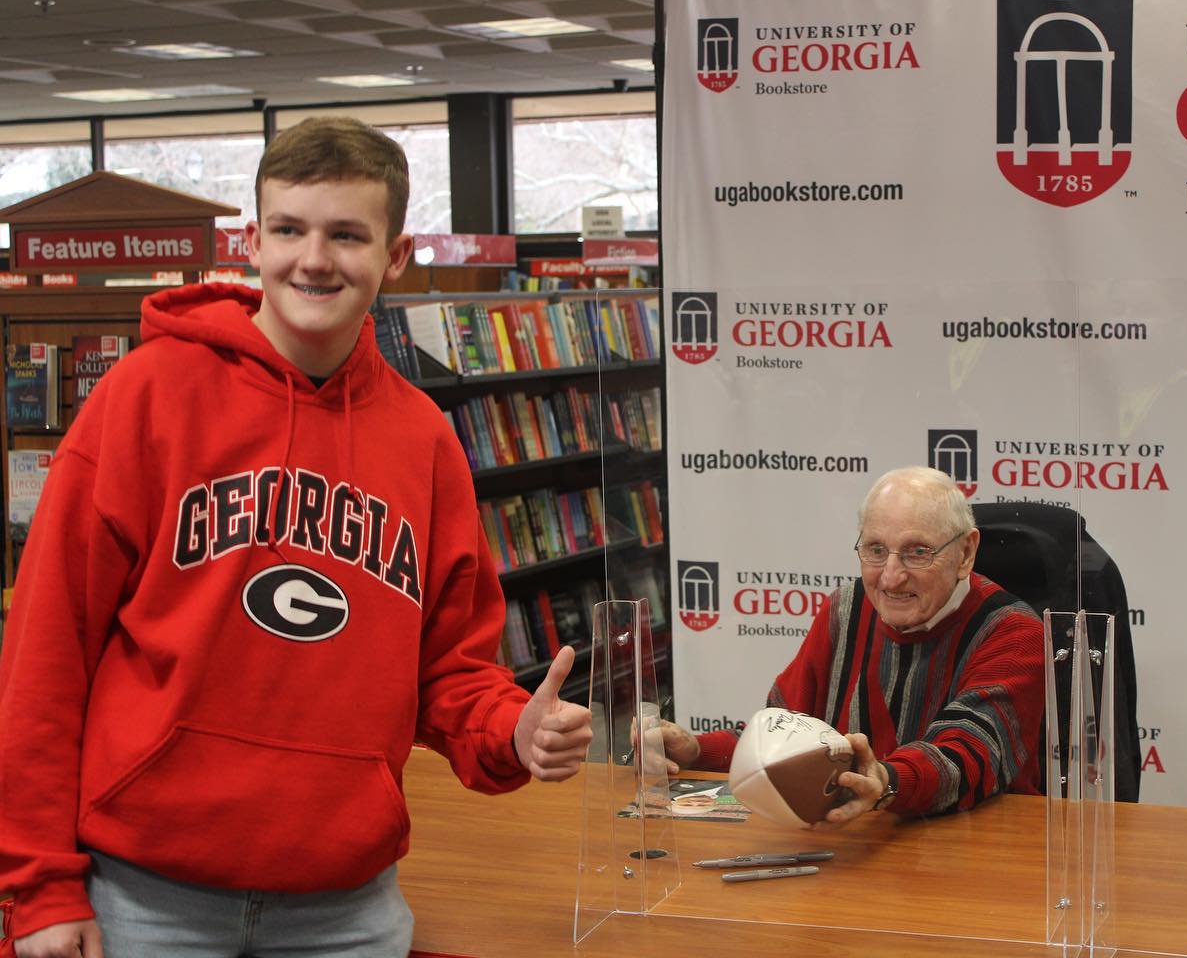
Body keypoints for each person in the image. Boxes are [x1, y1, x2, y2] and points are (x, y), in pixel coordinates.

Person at [0, 116, 592, 958]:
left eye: (346, 234)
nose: (313, 259)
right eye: (289, 230)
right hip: (144, 898)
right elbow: (46, 653)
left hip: (346, 910)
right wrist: (39, 887)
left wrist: (511, 730)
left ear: (395, 255)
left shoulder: (423, 440)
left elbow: (451, 666)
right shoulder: (144, 397)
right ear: (252, 241)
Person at [659, 466, 1044, 823]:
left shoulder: (1013, 632)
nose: (890, 578)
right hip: (858, 845)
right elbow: (781, 735)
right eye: (876, 550)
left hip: (976, 846)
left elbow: (964, 757)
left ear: (966, 553)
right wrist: (696, 751)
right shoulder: (845, 610)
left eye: (917, 552)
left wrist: (886, 780)